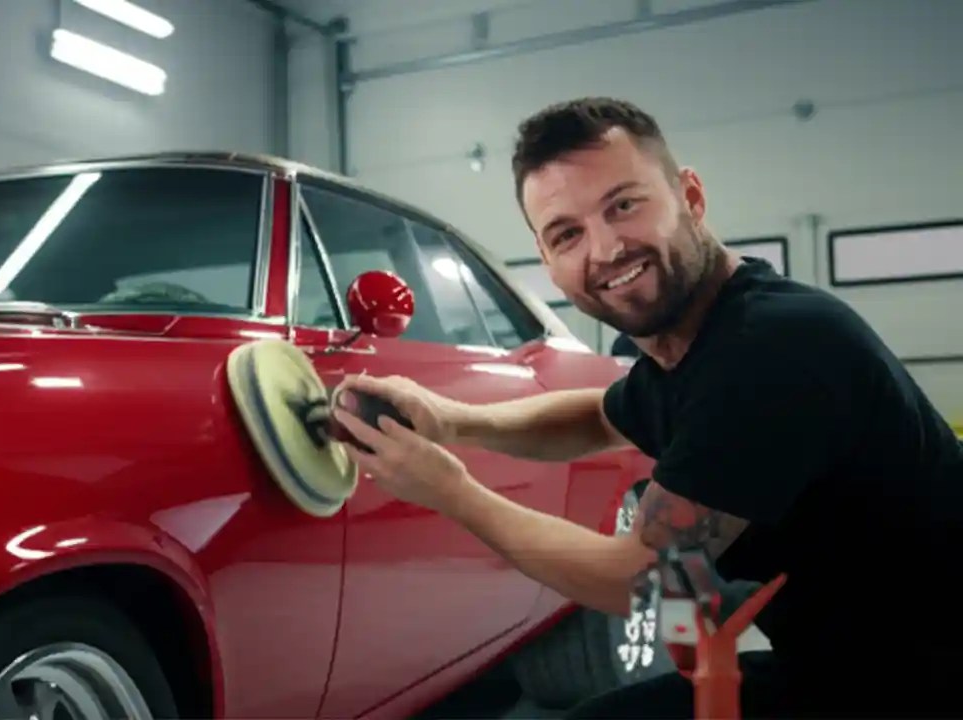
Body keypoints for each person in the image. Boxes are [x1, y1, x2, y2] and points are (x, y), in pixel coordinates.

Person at [330, 97, 961, 717]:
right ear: (548, 265)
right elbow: (599, 417)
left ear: (690, 198)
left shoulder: (773, 349)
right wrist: (451, 418)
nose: (605, 251)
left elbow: (631, 577)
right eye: (567, 234)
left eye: (623, 205)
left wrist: (449, 490)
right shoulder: (688, 344)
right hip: (845, 666)